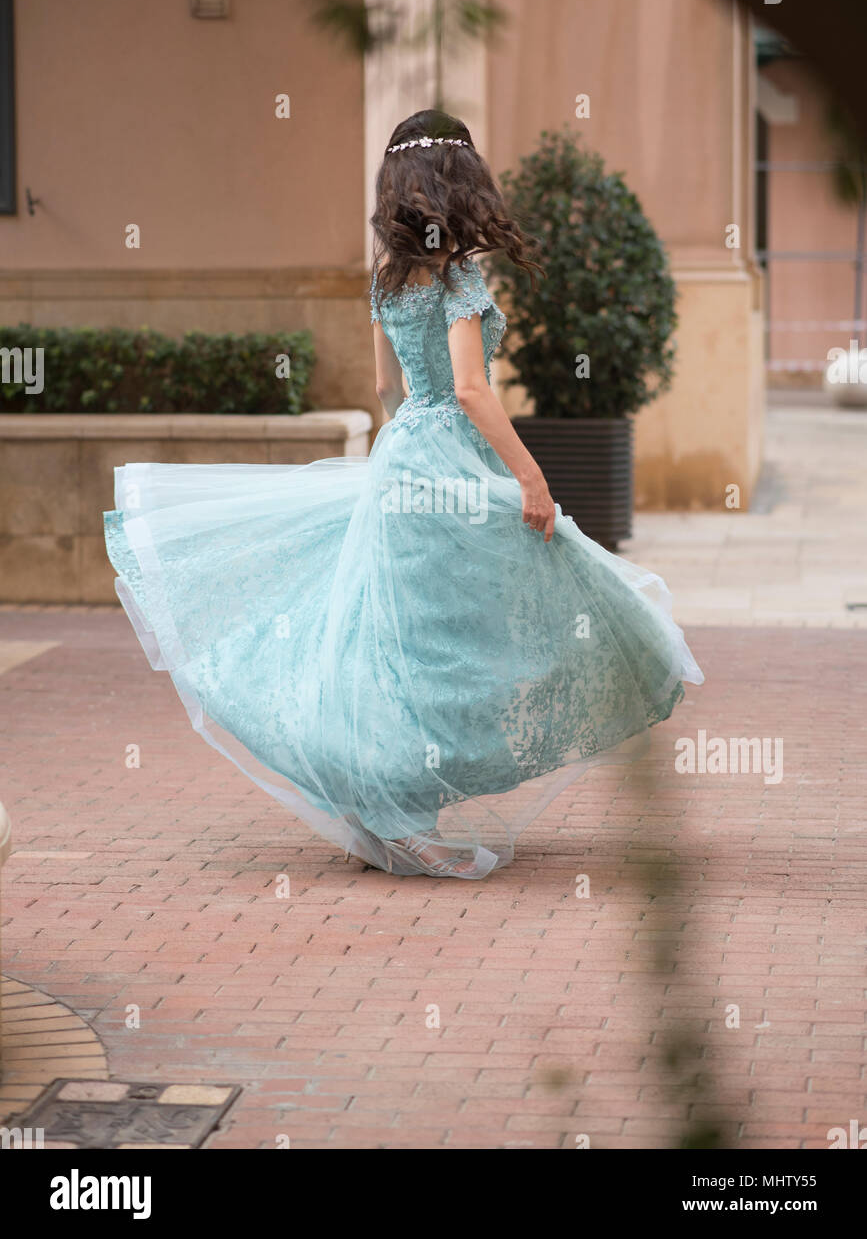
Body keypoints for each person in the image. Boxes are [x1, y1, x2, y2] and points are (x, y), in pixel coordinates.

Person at [104, 108, 703, 880]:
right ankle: (403, 809)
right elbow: (471, 390)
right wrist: (530, 477)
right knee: (476, 627)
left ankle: (383, 800)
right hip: (447, 455)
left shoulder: (388, 278)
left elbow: (389, 387)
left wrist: (400, 456)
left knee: (397, 637)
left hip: (404, 457)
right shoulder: (457, 274)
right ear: (462, 182)